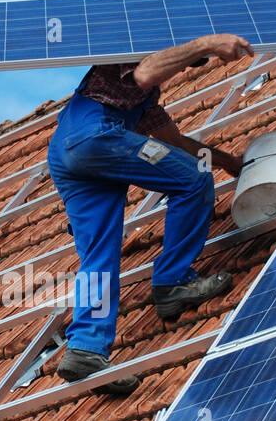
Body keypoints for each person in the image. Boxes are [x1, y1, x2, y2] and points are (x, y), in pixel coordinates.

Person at [47, 33, 253, 394]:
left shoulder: (146, 105)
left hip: (69, 154)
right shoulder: (134, 49)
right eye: (186, 61)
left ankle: (85, 350)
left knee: (99, 252)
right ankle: (174, 282)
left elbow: (178, 144)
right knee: (193, 179)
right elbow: (144, 73)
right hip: (96, 137)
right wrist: (209, 42)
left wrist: (227, 161)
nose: (184, 68)